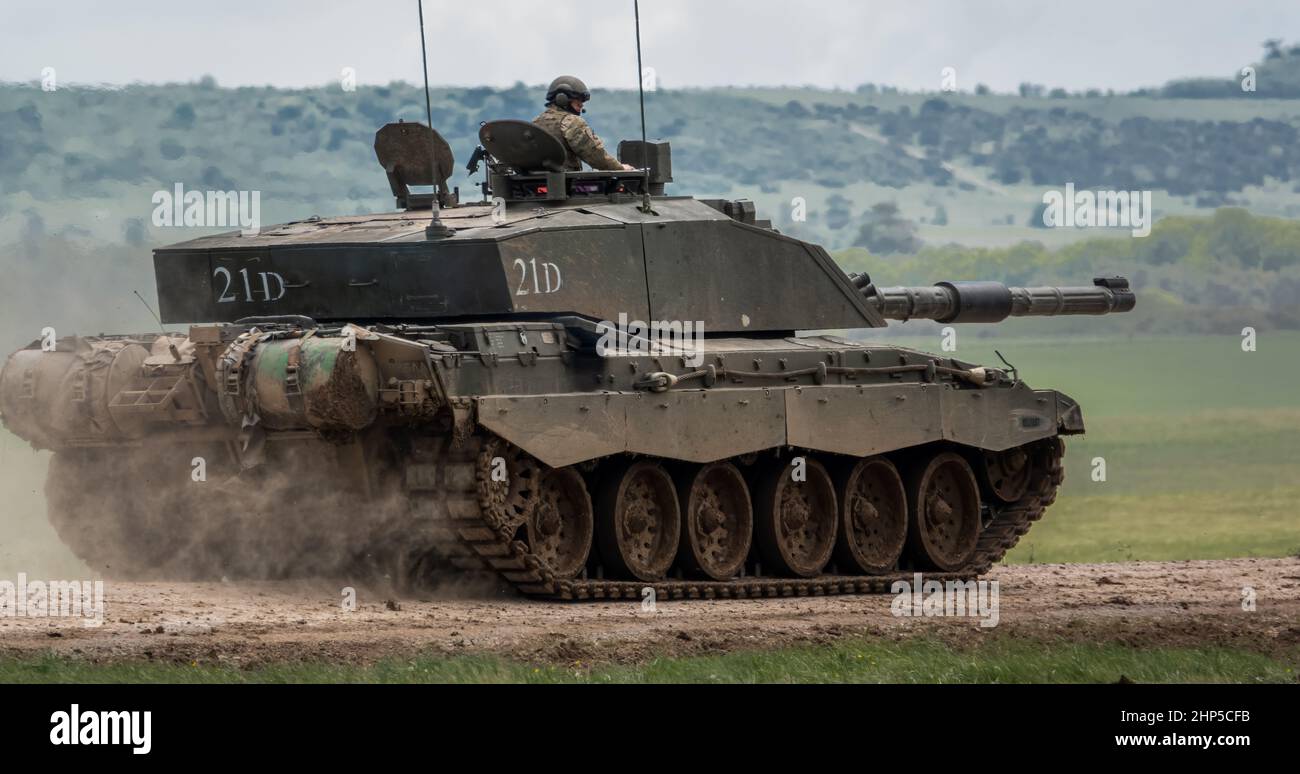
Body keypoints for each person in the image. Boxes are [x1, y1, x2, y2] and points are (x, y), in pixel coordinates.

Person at [533, 76, 636, 172]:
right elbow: (595, 155)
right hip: (565, 185)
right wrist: (620, 168)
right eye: (578, 104)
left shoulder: (535, 122)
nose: (580, 110)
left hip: (533, 186)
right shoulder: (570, 122)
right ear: (562, 100)